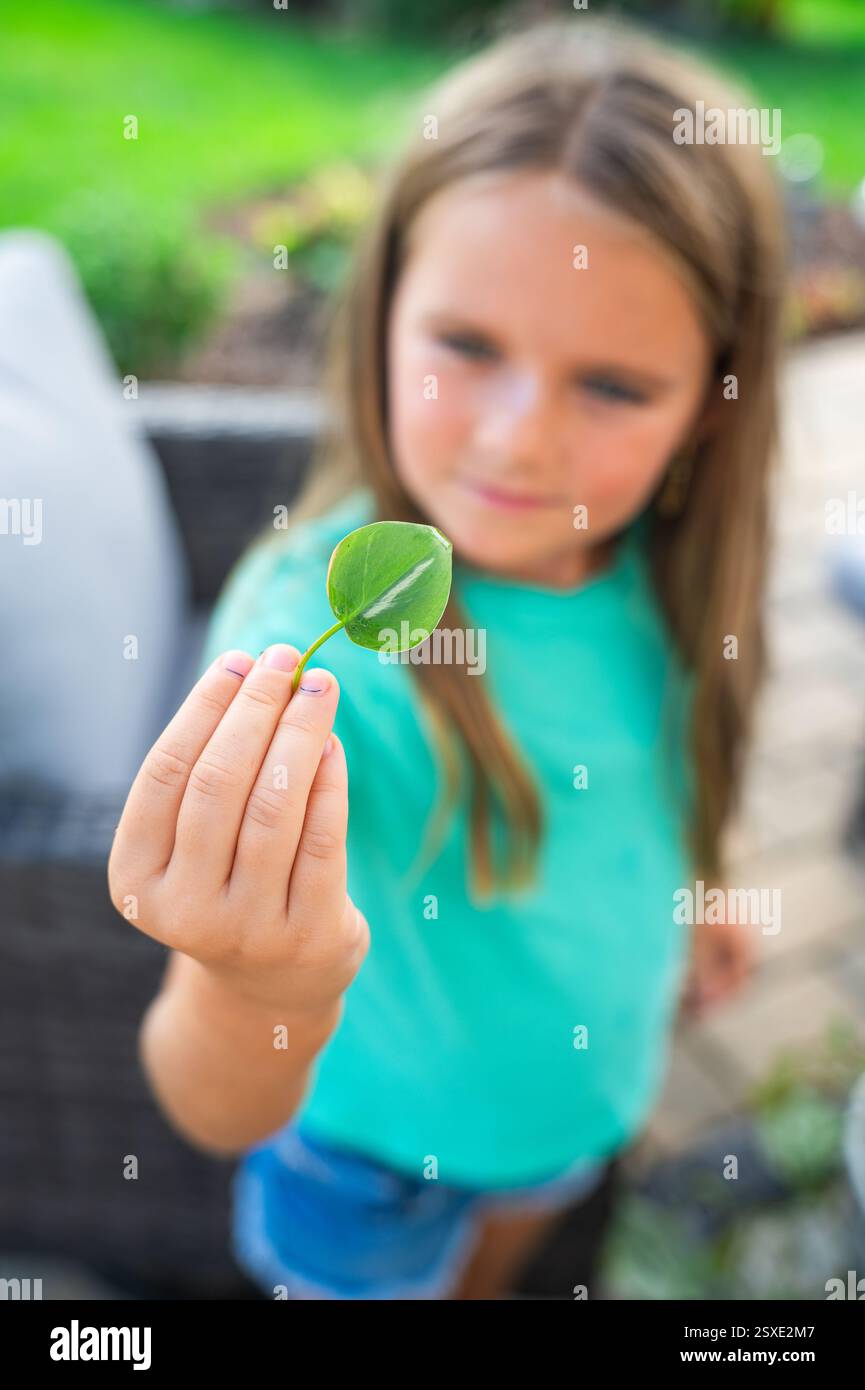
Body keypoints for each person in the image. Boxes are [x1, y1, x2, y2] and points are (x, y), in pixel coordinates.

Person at [108, 16, 785, 1299]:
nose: (521, 442)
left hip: (569, 1119)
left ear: (715, 398)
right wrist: (254, 979)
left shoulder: (670, 575)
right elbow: (208, 1104)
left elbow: (656, 761)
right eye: (466, 347)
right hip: (365, 1167)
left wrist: (701, 886)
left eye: (614, 386)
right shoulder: (306, 654)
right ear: (380, 323)